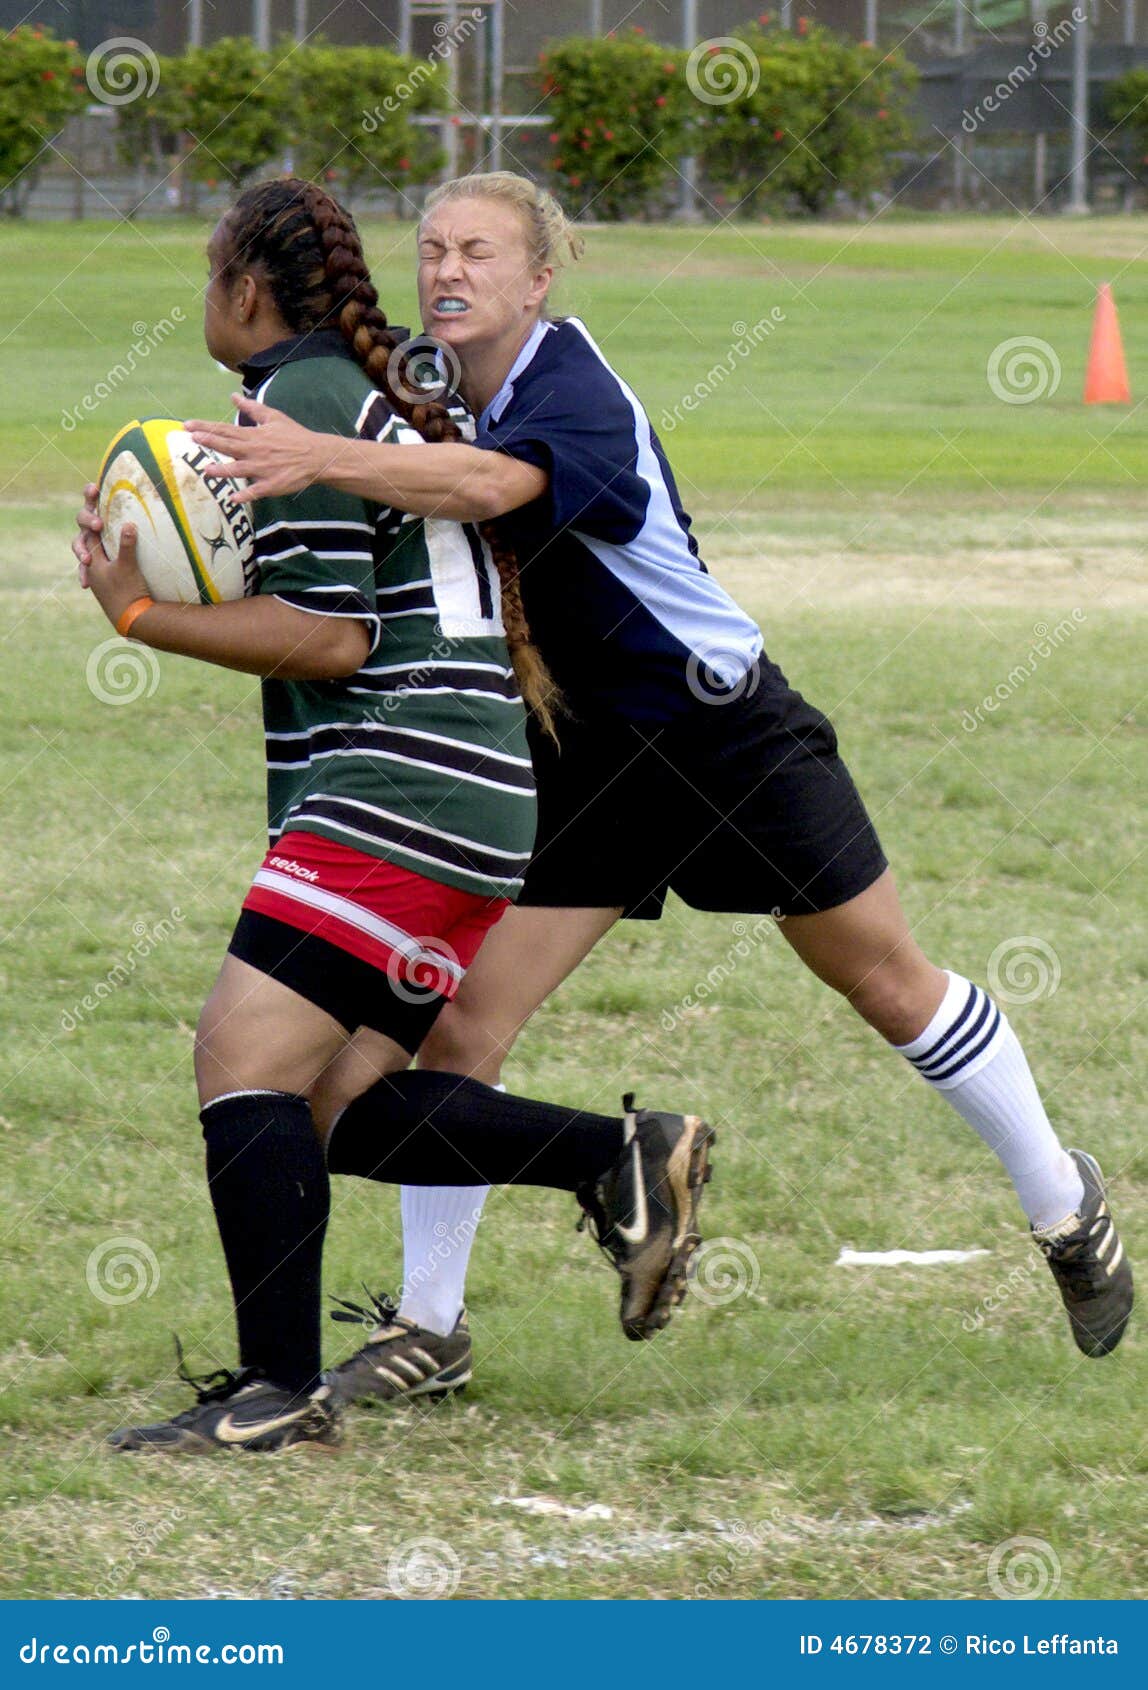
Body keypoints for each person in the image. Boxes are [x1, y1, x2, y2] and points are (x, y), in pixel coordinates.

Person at [83, 170, 1132, 1408]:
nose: (448, 271)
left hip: (717, 727)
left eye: (480, 251)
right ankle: (431, 1326)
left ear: (539, 278)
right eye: (430, 248)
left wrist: (318, 455)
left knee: (884, 978)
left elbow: (486, 490)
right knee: (459, 1023)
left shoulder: (568, 387)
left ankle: (1064, 1211)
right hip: (576, 754)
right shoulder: (414, 383)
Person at [75, 177, 713, 1453]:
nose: (205, 292)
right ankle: (622, 1154)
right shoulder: (352, 401)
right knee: (335, 1108)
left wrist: (141, 614)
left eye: (209, 271)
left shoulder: (306, 400)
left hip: (403, 786)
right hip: (463, 792)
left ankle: (277, 1393)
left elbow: (332, 636)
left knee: (235, 1054)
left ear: (244, 290)